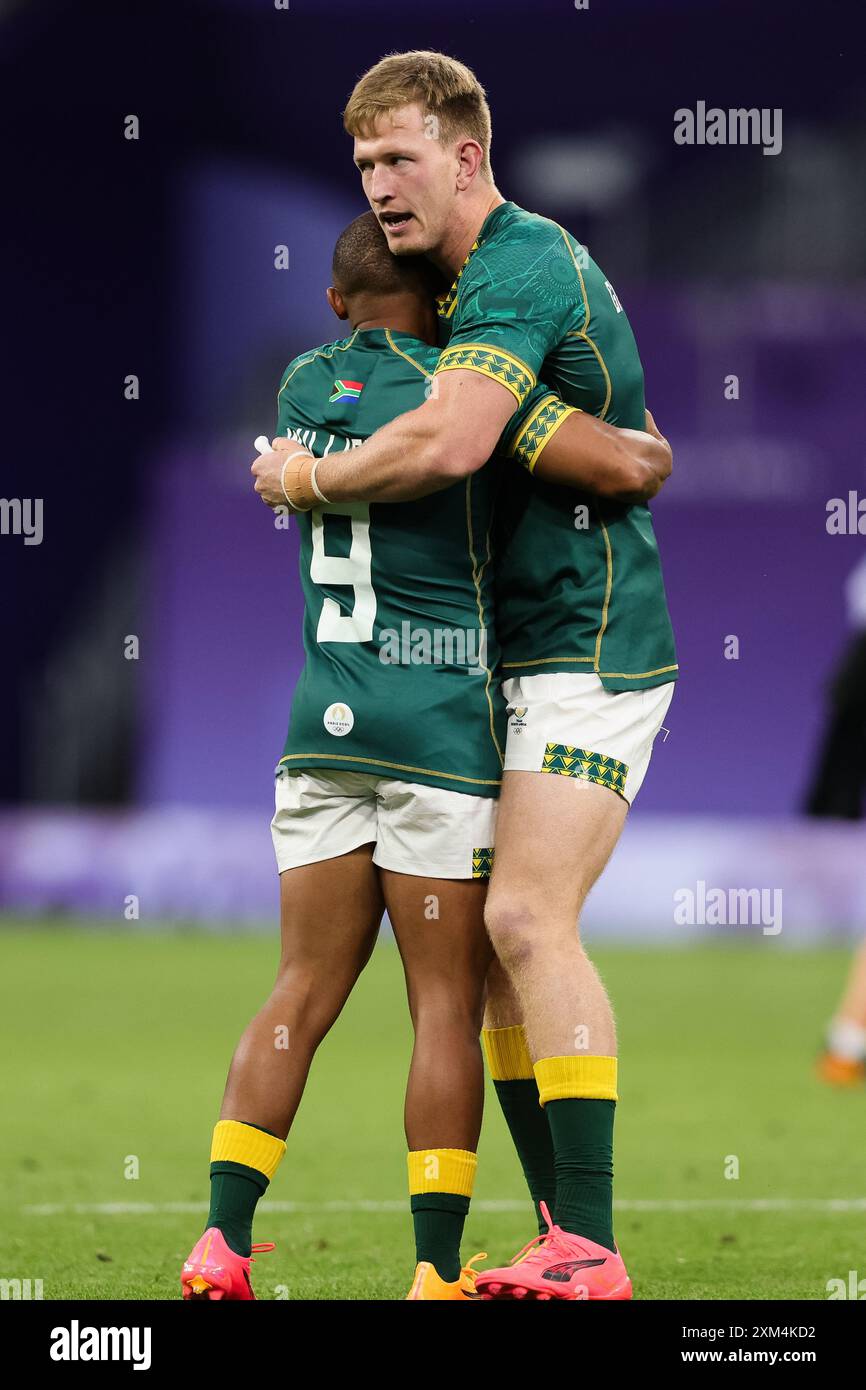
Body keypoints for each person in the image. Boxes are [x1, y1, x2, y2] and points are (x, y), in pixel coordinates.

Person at [182, 212, 672, 1300]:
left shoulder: (301, 392)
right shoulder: (463, 402)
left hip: (322, 724)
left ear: (331, 304)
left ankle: (217, 1241)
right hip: (442, 726)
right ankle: (434, 1267)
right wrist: (643, 447)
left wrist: (293, 473)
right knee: (448, 1001)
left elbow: (310, 464)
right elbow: (617, 465)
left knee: (301, 982)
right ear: (445, 307)